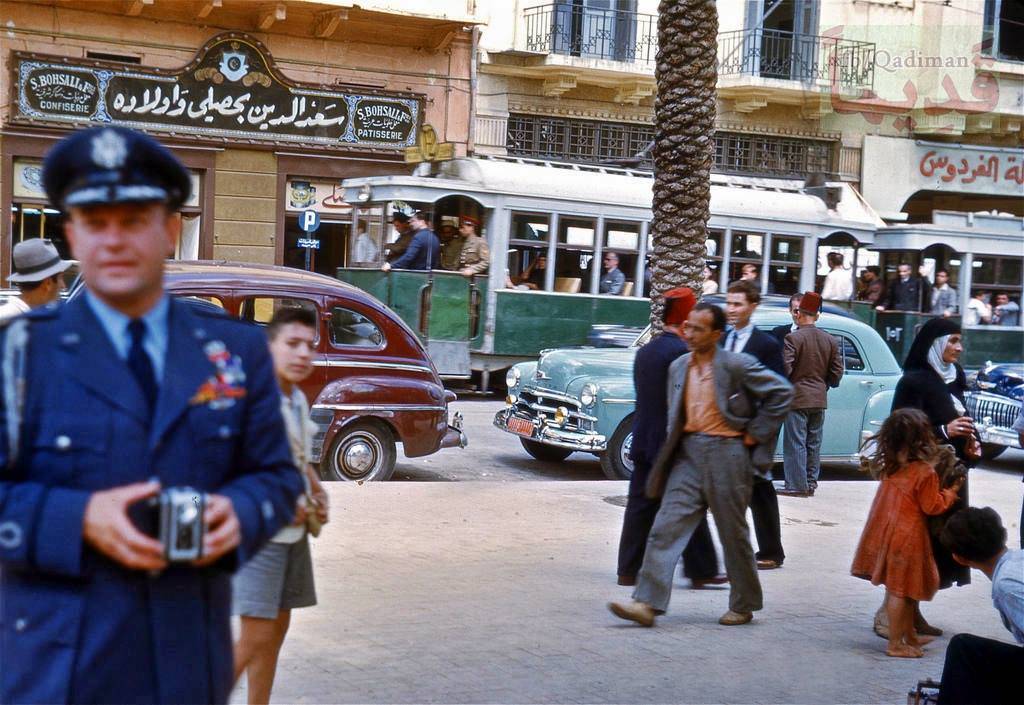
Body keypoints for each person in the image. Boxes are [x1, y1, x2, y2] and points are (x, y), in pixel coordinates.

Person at [0, 126, 304, 704]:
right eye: (95, 222)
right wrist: (77, 517)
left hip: (182, 665)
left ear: (170, 230)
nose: (113, 240)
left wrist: (239, 513)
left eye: (134, 219)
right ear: (72, 235)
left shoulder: (237, 354)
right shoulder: (17, 354)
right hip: (51, 669)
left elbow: (276, 478)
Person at [607, 302, 792, 628]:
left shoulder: (737, 364)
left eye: (698, 329)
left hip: (728, 455)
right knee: (665, 527)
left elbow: (782, 392)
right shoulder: (678, 366)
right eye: (688, 326)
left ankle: (744, 603)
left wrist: (754, 435)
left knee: (733, 533)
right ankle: (647, 603)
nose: (689, 333)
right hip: (688, 457)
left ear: (717, 334)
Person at [233, 307, 330, 705]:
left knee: (276, 631)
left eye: (310, 345)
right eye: (292, 344)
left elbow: (299, 457)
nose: (303, 353)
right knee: (255, 635)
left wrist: (316, 488)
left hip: (293, 534)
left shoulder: (295, 400)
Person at [616, 288, 726, 590]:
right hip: (671, 444)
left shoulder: (645, 352)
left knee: (638, 506)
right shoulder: (682, 355)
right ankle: (702, 569)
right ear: (685, 321)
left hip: (643, 438)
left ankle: (627, 568)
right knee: (690, 505)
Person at [888, 317, 979, 638]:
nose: (958, 348)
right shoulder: (914, 381)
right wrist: (944, 431)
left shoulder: (954, 378)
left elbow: (960, 418)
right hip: (920, 481)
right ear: (936, 343)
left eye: (959, 341)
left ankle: (913, 612)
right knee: (916, 549)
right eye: (953, 341)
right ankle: (891, 617)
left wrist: (971, 445)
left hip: (949, 478)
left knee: (938, 549)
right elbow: (899, 432)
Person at [850, 409, 963, 658]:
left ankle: (909, 635)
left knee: (905, 588)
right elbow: (932, 506)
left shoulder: (890, 464)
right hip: (908, 537)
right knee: (901, 591)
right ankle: (894, 644)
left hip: (887, 532)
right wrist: (951, 492)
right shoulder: (924, 472)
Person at [722, 280, 787, 569]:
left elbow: (779, 391)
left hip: (754, 430)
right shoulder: (723, 339)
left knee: (759, 487)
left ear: (753, 306)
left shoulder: (766, 345)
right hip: (725, 427)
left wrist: (758, 431)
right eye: (729, 303)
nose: (731, 309)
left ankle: (772, 550)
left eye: (738, 304)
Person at [937, 507, 1024, 704]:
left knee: (964, 650)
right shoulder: (1019, 558)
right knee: (968, 651)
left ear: (959, 558)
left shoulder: (1007, 584)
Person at [780, 292, 843, 497]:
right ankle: (810, 482)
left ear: (799, 314)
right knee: (813, 442)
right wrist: (825, 385)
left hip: (797, 398)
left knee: (796, 442)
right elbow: (836, 373)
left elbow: (785, 370)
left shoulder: (793, 338)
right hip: (819, 398)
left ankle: (796, 485)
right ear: (816, 315)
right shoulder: (830, 340)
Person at [0, 238, 72, 322]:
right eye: (60, 278)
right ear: (48, 283)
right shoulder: (9, 319)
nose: (63, 286)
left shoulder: (27, 317)